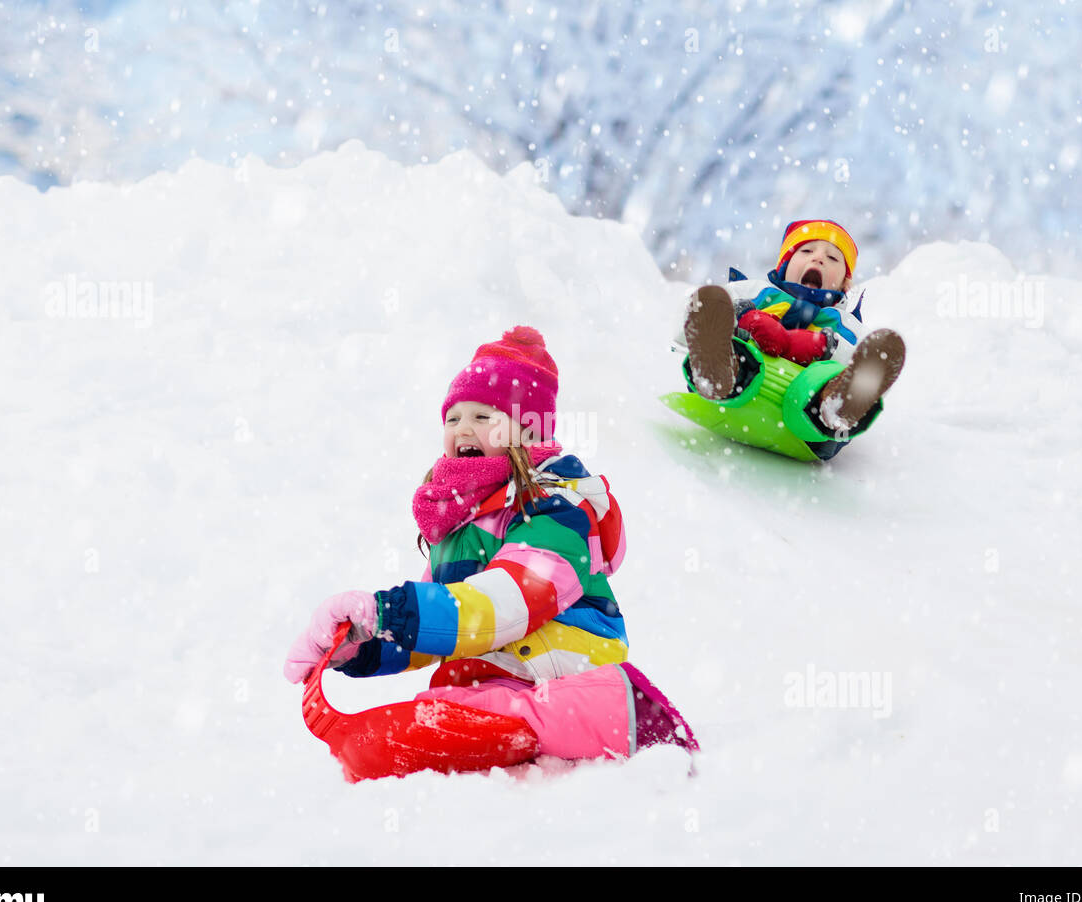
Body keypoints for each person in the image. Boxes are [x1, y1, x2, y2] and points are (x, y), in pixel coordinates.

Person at [284, 326, 697, 774]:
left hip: (558, 676)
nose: (463, 428)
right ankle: (475, 723)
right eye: (453, 418)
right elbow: (438, 627)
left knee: (502, 714)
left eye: (484, 417)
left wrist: (390, 611)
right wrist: (360, 640)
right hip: (490, 682)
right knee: (433, 715)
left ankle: (620, 707)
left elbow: (509, 600)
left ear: (528, 431)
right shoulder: (457, 524)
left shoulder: (555, 508)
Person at [682, 219, 906, 459]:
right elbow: (693, 321)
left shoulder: (843, 322)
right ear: (784, 266)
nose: (817, 259)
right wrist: (744, 317)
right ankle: (717, 374)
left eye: (832, 258)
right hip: (737, 382)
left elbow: (867, 374)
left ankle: (834, 406)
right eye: (806, 251)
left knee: (823, 378)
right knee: (736, 344)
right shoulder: (755, 292)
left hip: (808, 421)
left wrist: (824, 347)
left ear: (844, 284)